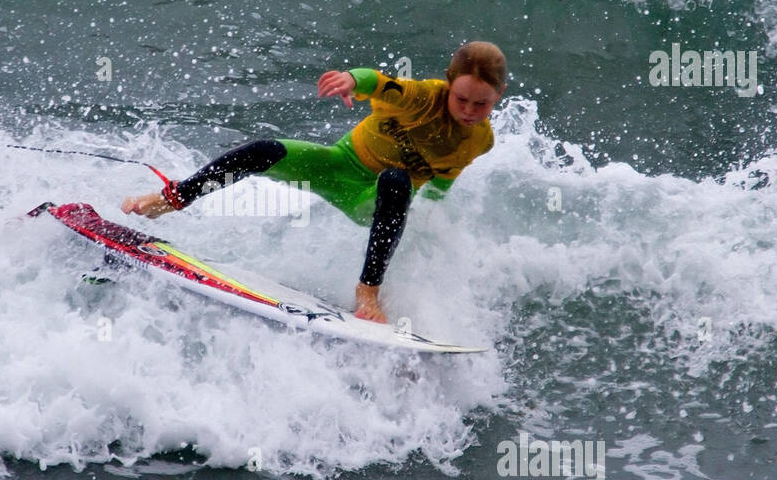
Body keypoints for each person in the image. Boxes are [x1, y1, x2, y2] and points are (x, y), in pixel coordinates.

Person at [122, 41, 507, 322]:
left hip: (373, 198)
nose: (470, 111)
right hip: (338, 165)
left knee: (396, 179)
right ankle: (172, 199)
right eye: (462, 100)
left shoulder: (479, 141)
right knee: (264, 150)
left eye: (482, 104)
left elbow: (443, 183)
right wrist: (349, 80)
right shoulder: (423, 97)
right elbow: (376, 81)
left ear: (498, 96)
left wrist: (429, 226)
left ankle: (367, 292)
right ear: (448, 83)